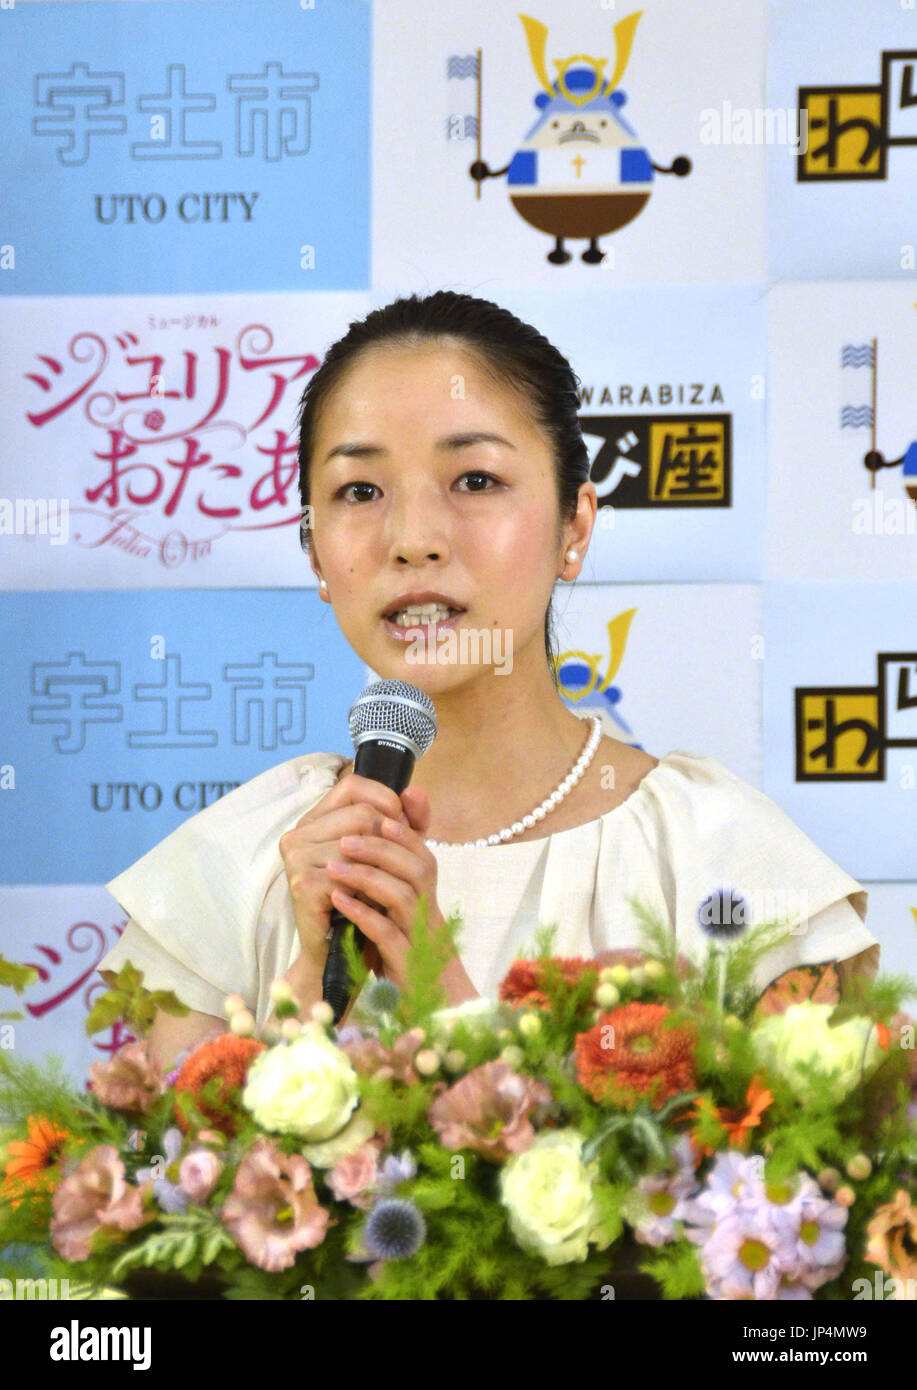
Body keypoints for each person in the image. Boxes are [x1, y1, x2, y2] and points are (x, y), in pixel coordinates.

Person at [97, 290, 880, 1070]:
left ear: (573, 527)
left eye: (474, 480)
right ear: (313, 551)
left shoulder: (716, 859)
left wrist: (442, 995)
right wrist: (309, 984)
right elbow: (171, 1185)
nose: (411, 540)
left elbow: (798, 1186)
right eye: (359, 492)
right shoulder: (240, 864)